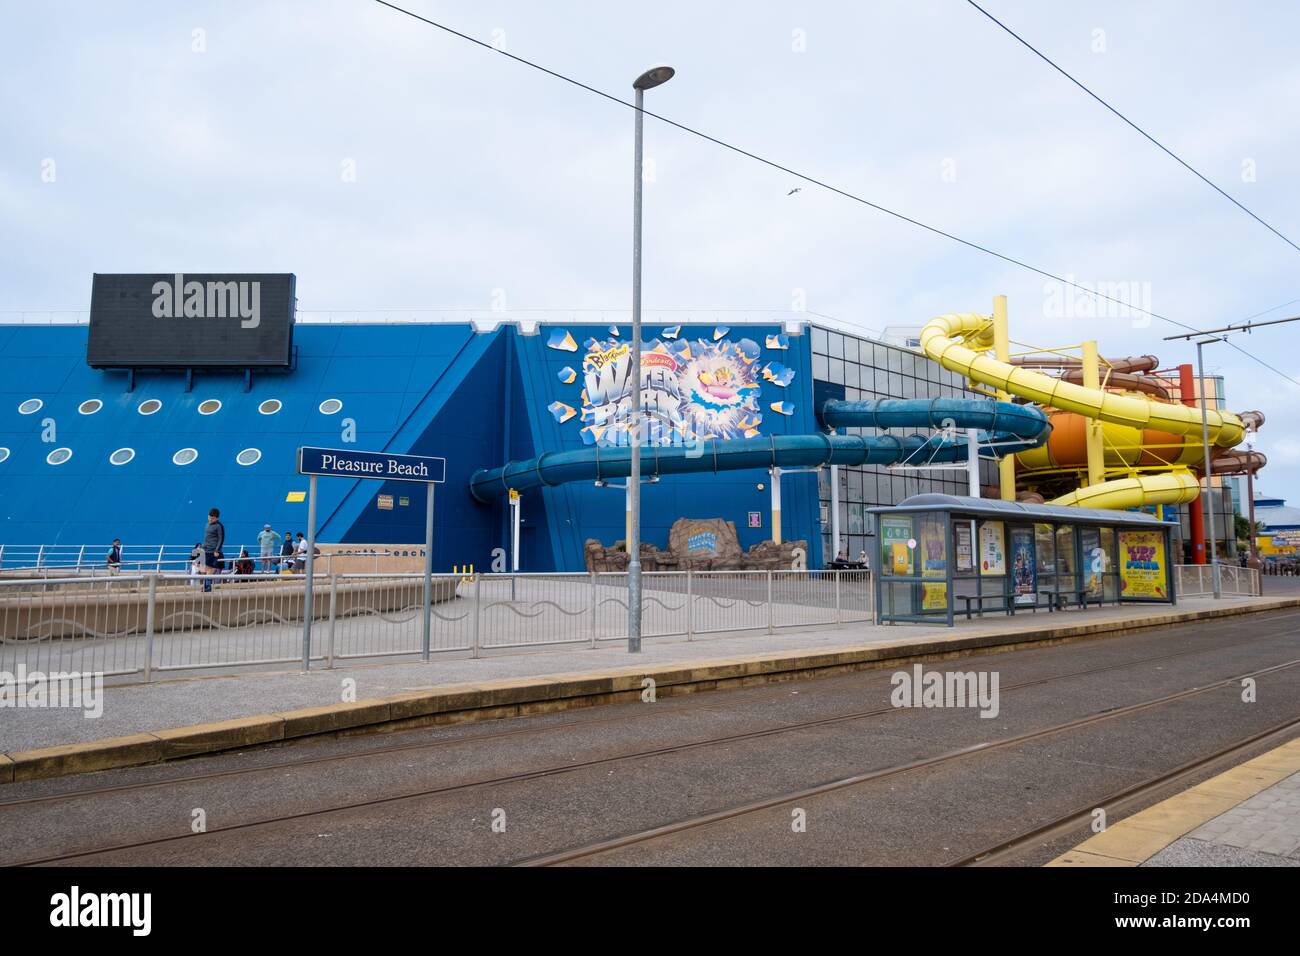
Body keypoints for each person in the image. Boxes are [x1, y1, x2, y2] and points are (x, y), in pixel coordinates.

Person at [202, 507, 225, 592]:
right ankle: (206, 586)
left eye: (213, 518)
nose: (210, 519)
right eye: (209, 517)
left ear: (217, 518)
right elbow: (206, 538)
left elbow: (221, 538)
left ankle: (207, 586)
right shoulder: (207, 524)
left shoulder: (219, 526)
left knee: (212, 569)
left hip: (214, 551)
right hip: (206, 550)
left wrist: (217, 550)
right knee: (206, 569)